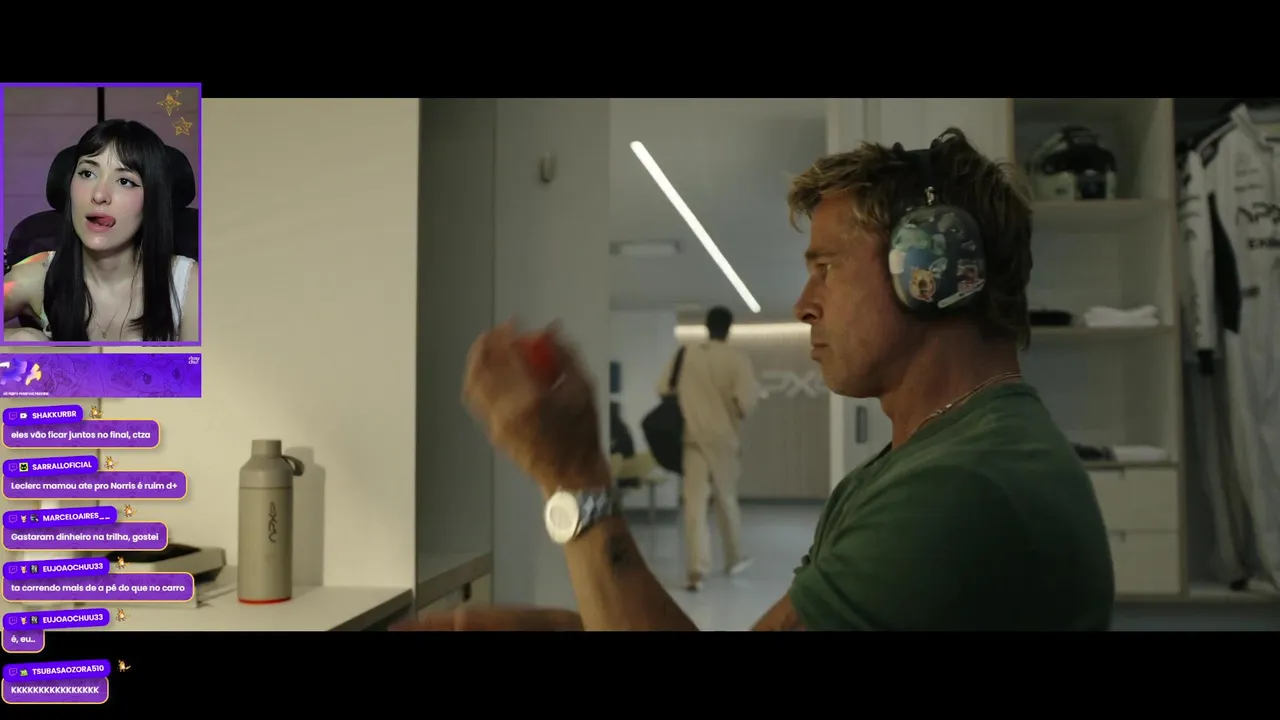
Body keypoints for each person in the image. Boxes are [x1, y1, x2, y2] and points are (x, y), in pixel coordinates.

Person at [403, 127, 1115, 632]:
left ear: (931, 267)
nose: (804, 305)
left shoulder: (959, 491)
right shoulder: (940, 458)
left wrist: (573, 476)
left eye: (826, 268)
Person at [3, 119, 200, 342]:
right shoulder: (37, 276)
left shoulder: (190, 286)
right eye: (87, 174)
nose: (99, 195)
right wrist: (19, 339)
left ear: (152, 200)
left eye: (125, 181)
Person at [656, 306, 759, 591]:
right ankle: (734, 558)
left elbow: (663, 388)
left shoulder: (686, 355)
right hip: (723, 440)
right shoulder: (737, 359)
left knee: (694, 505)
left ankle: (696, 571)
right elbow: (745, 403)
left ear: (706, 327)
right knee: (726, 499)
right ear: (729, 329)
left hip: (693, 438)